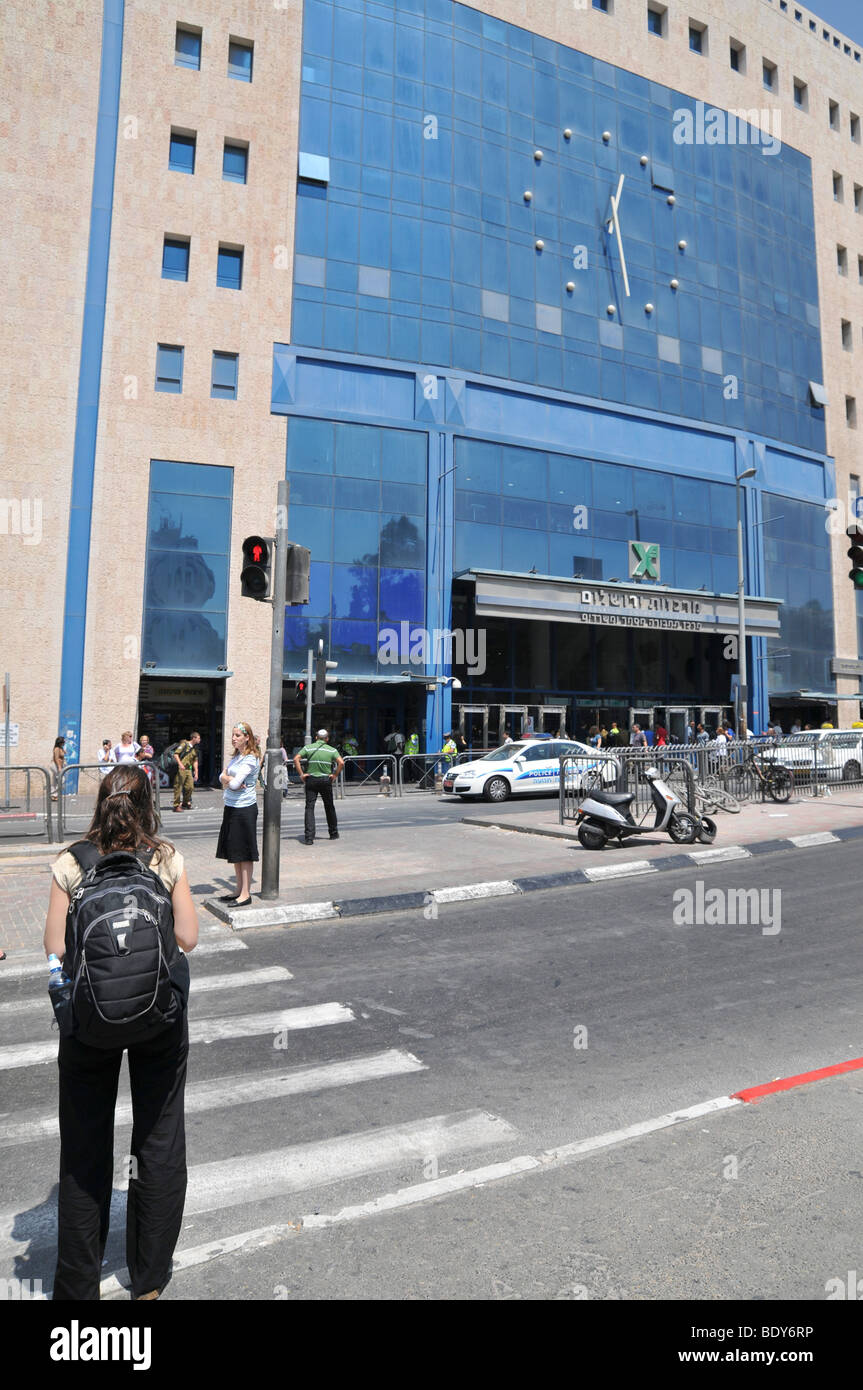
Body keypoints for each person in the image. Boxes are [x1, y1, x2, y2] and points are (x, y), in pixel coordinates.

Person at [43, 763, 198, 1300]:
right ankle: (149, 1281)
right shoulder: (166, 857)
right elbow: (188, 937)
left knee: (85, 1149)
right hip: (157, 1018)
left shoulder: (72, 860)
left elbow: (56, 948)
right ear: (149, 805)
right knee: (157, 1140)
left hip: (88, 1023)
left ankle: (78, 1289)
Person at [216, 722, 261, 906]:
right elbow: (222, 777)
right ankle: (238, 889)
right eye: (233, 735)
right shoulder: (236, 757)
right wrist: (228, 779)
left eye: (237, 735)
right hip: (232, 806)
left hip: (245, 808)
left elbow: (234, 784)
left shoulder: (250, 758)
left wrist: (228, 780)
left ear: (247, 738)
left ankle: (245, 893)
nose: (233, 738)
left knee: (244, 851)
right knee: (235, 850)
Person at [294, 729, 344, 844]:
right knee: (329, 806)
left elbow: (296, 758)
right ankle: (333, 833)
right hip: (326, 780)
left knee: (309, 807)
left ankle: (309, 838)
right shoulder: (332, 750)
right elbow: (341, 763)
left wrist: (301, 774)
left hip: (311, 780)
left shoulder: (308, 748)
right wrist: (335, 775)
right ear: (327, 739)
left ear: (316, 737)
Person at [172, 732, 200, 813]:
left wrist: (196, 772)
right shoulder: (184, 744)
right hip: (181, 768)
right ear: (193, 738)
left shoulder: (195, 749)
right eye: (198, 738)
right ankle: (176, 805)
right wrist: (180, 764)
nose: (199, 740)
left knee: (190, 787)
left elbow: (195, 761)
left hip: (188, 769)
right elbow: (176, 754)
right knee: (178, 787)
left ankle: (185, 803)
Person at [51, 737, 66, 801]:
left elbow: (63, 754)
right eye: (63, 742)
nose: (64, 743)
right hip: (56, 766)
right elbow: (56, 758)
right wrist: (59, 767)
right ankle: (54, 794)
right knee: (62, 780)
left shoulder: (60, 748)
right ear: (60, 742)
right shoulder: (56, 749)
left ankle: (53, 795)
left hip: (59, 765)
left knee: (54, 781)